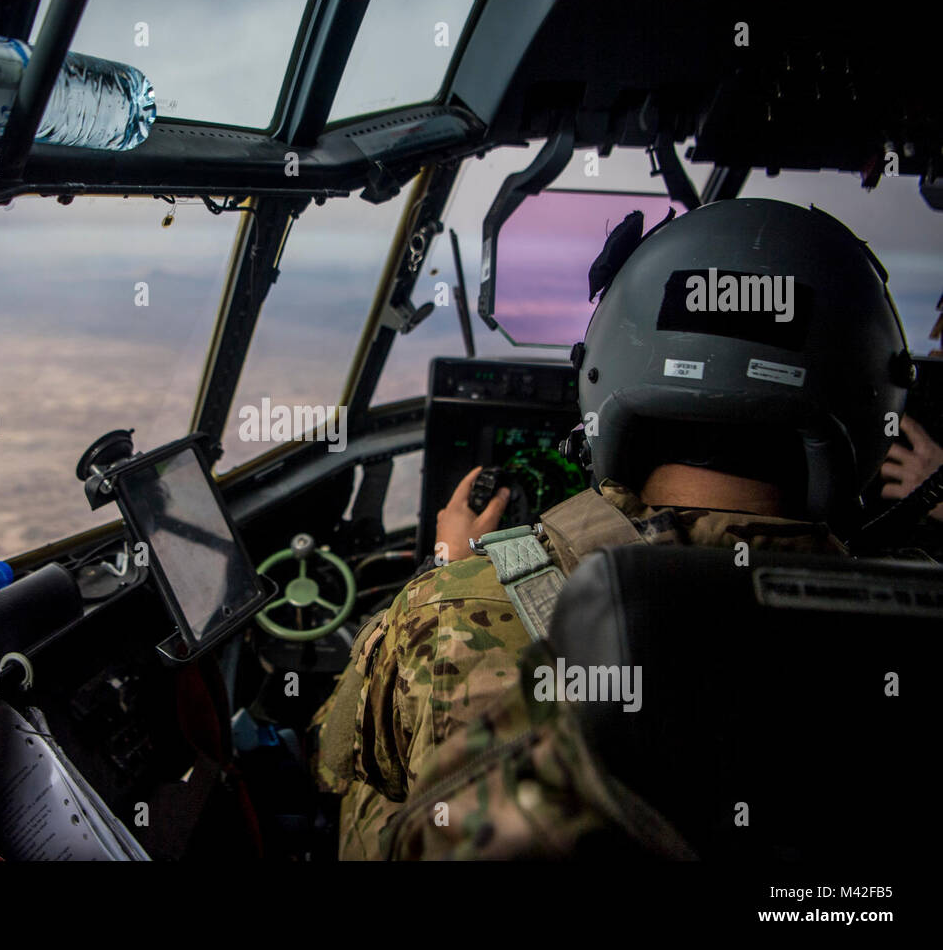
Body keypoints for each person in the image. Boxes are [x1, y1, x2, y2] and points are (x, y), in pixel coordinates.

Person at [309, 197, 914, 859]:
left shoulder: (453, 610)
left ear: (607, 368)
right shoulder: (907, 619)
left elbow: (338, 756)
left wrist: (451, 575)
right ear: (871, 398)